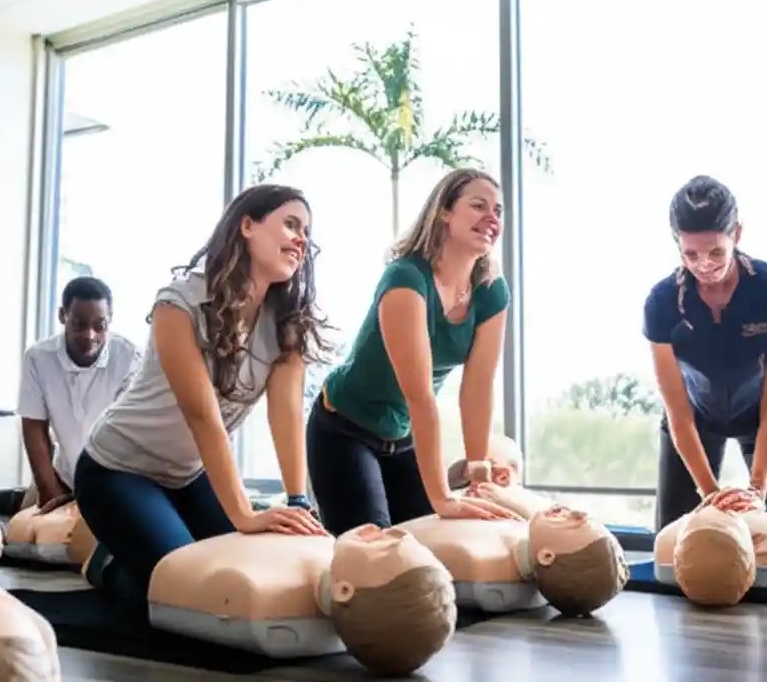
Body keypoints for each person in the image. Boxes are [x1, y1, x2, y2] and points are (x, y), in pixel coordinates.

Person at [74, 184, 329, 618]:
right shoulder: (180, 302)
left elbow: (286, 414)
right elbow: (202, 416)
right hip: (117, 471)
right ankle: (109, 562)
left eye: (306, 231)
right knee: (192, 593)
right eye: (290, 224)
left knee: (241, 578)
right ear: (247, 225)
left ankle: (143, 546)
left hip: (189, 476)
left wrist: (297, 501)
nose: (301, 239)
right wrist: (244, 515)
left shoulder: (286, 320)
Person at [305, 168, 521, 537]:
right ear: (445, 212)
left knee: (430, 543)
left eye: (497, 211)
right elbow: (419, 396)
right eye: (478, 205)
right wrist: (442, 499)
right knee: (378, 548)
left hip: (402, 437)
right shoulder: (406, 278)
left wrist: (478, 470)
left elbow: (478, 387)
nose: (491, 217)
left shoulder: (491, 291)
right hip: (345, 429)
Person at [643, 174, 767, 579]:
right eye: (690, 254)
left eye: (716, 251)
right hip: (695, 420)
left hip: (763, 416)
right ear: (677, 243)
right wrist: (711, 494)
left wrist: (757, 488)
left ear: (737, 234)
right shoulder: (661, 302)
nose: (704, 265)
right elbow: (677, 412)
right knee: (672, 558)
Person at [17, 276, 141, 514]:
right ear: (62, 316)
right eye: (79, 324)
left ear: (110, 320)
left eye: (99, 326)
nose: (89, 335)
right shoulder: (38, 358)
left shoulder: (128, 358)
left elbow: (128, 435)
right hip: (61, 475)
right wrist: (50, 491)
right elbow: (33, 427)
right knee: (20, 530)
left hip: (114, 481)